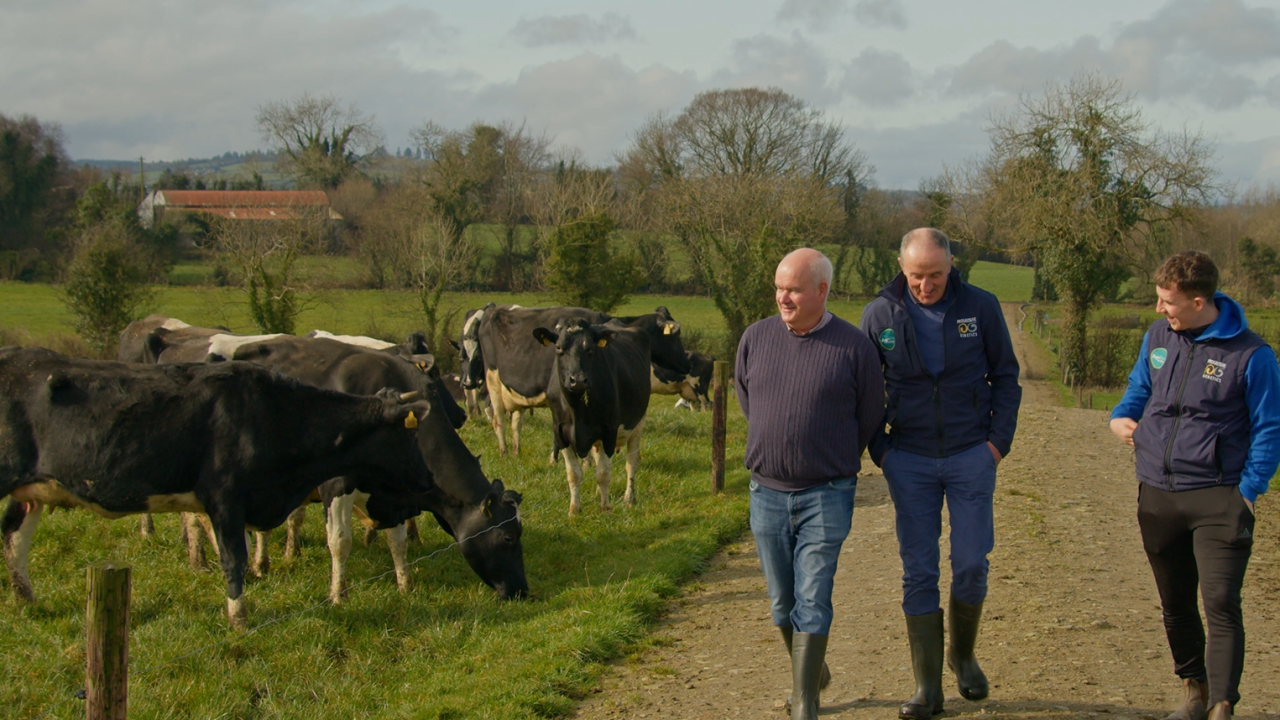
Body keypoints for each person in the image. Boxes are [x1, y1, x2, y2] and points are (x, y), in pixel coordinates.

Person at [1109, 251, 1279, 720]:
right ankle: (1194, 693)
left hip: (1219, 496)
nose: (1160, 308)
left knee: (1221, 602)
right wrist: (1121, 416)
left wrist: (1248, 490)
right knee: (1176, 603)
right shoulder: (1158, 337)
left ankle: (1223, 705)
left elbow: (1270, 427)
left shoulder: (1253, 355)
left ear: (1199, 301)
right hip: (1158, 493)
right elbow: (1139, 388)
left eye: (1168, 301)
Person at [859, 228, 1021, 720]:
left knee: (971, 563)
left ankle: (962, 655)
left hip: (972, 453)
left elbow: (1006, 376)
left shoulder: (981, 306)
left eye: (935, 275)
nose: (925, 285)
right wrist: (881, 450)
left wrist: (997, 444)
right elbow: (865, 388)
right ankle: (927, 687)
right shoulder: (879, 313)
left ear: (951, 266)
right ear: (901, 268)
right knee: (920, 569)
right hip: (907, 458)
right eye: (916, 276)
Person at [736, 247, 885, 720]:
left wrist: (829, 457)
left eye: (794, 289)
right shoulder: (754, 339)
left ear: (822, 291)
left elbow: (869, 415)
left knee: (813, 596)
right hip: (767, 492)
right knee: (782, 605)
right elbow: (748, 399)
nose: (783, 297)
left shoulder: (854, 347)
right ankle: (812, 670)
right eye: (779, 287)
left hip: (828, 493)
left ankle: (805, 701)